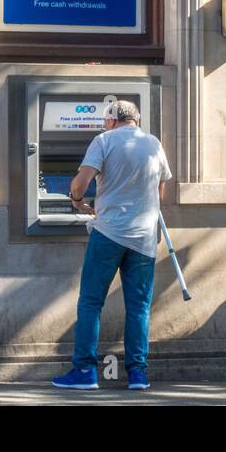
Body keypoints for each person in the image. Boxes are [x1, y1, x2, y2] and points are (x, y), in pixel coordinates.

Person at [52, 100, 172, 391]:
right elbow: (160, 191)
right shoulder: (154, 143)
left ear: (113, 119)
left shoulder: (103, 141)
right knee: (139, 307)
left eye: (106, 121)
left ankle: (84, 371)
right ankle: (138, 374)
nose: (104, 125)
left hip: (109, 233)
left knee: (91, 302)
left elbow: (81, 183)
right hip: (143, 238)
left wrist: (76, 200)